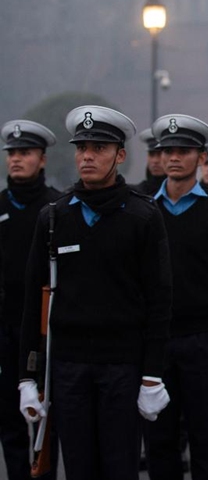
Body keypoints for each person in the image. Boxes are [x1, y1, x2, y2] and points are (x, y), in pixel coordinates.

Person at [19, 105, 173, 479]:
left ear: (119, 156)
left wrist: (152, 373)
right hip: (68, 365)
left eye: (99, 148)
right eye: (82, 147)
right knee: (79, 467)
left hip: (121, 364)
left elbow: (159, 299)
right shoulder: (55, 217)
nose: (87, 156)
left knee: (119, 466)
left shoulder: (143, 217)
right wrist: (29, 375)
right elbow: (33, 298)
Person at [143, 114, 208, 480]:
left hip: (203, 341)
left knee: (206, 442)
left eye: (183, 151)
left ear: (201, 158)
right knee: (159, 442)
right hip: (157, 340)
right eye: (167, 150)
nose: (173, 158)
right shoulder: (144, 212)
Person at [0, 120, 61, 480]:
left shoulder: (55, 206)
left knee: (47, 421)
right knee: (8, 419)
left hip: (45, 329)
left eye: (25, 153)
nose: (17, 160)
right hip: (6, 328)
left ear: (42, 160)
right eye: (12, 154)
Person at [134, 128, 166, 196]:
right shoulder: (137, 193)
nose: (155, 161)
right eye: (151, 154)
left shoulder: (182, 193)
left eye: (160, 154)